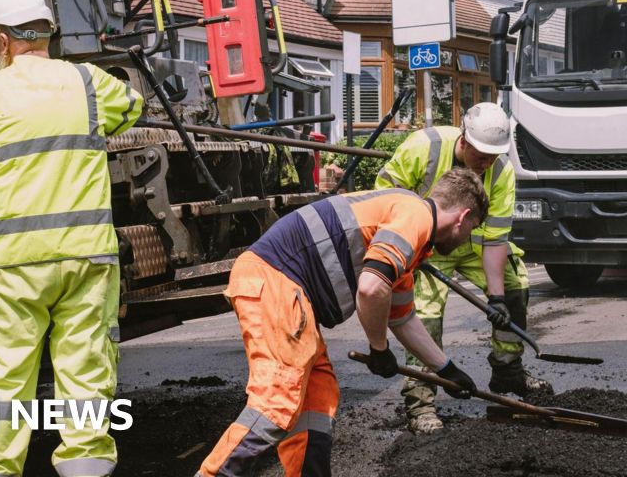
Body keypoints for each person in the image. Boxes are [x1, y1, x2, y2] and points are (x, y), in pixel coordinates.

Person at [0, 0, 143, 477]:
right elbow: (132, 109)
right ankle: (85, 465)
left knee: (4, 372)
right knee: (85, 366)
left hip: (15, 265)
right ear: (48, 33)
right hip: (87, 257)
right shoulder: (89, 82)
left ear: (1, 42)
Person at [196, 169, 487, 477]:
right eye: (474, 227)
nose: (469, 236)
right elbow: (371, 288)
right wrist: (378, 348)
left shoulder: (410, 241)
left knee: (317, 399)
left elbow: (402, 319)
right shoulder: (414, 214)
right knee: (277, 398)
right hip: (275, 280)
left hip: (290, 293)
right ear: (463, 216)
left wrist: (446, 369)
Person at [375, 102, 552, 434]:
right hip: (422, 241)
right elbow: (384, 200)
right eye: (481, 153)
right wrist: (412, 247)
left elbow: (496, 240)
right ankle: (420, 402)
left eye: (493, 155)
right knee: (422, 314)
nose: (486, 162)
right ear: (464, 138)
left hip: (473, 243)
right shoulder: (423, 148)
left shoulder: (501, 173)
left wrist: (496, 298)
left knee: (515, 289)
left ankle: (507, 369)